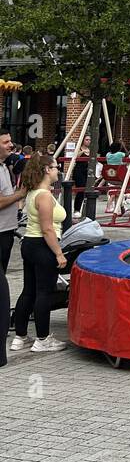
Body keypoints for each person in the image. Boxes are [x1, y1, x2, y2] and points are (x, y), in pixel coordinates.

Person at [9, 152, 68, 354]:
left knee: (29, 290)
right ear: (46, 170)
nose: (57, 169)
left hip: (30, 244)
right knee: (44, 292)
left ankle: (20, 336)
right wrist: (59, 253)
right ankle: (43, 339)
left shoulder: (34, 192)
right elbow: (47, 229)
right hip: (43, 246)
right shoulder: (43, 195)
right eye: (55, 166)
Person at [0, 133, 26, 368]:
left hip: (6, 231)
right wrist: (19, 194)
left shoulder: (5, 167)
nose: (11, 145)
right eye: (6, 142)